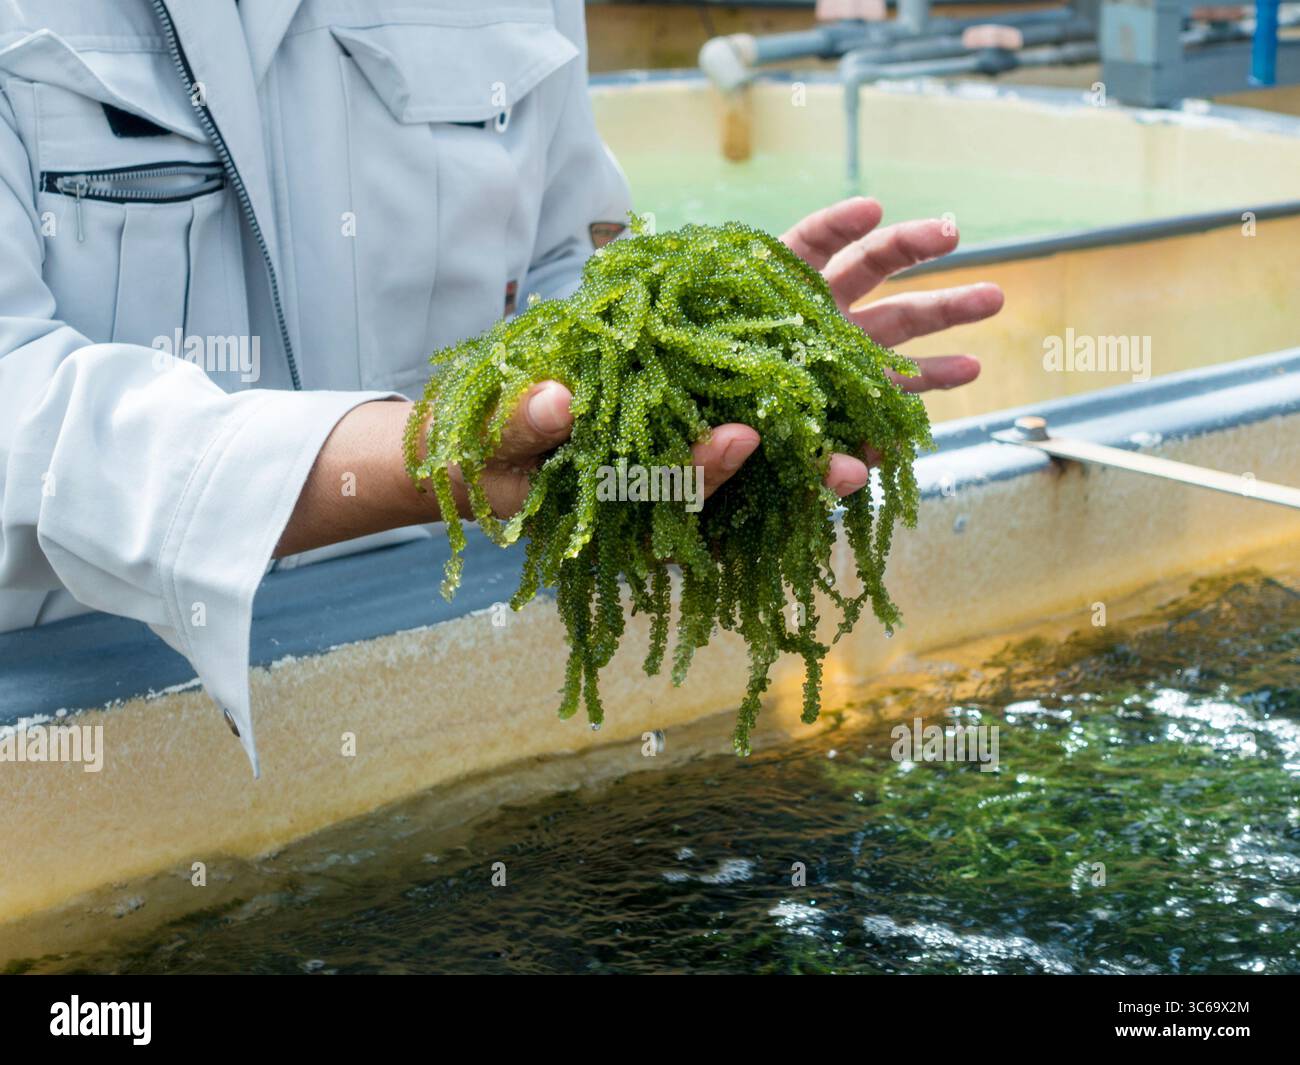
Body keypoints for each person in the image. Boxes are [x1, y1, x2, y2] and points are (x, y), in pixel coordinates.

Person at [0, 0, 1002, 772]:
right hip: (82, 714)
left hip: (437, 663)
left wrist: (694, 349)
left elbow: (563, 251)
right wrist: (428, 456)